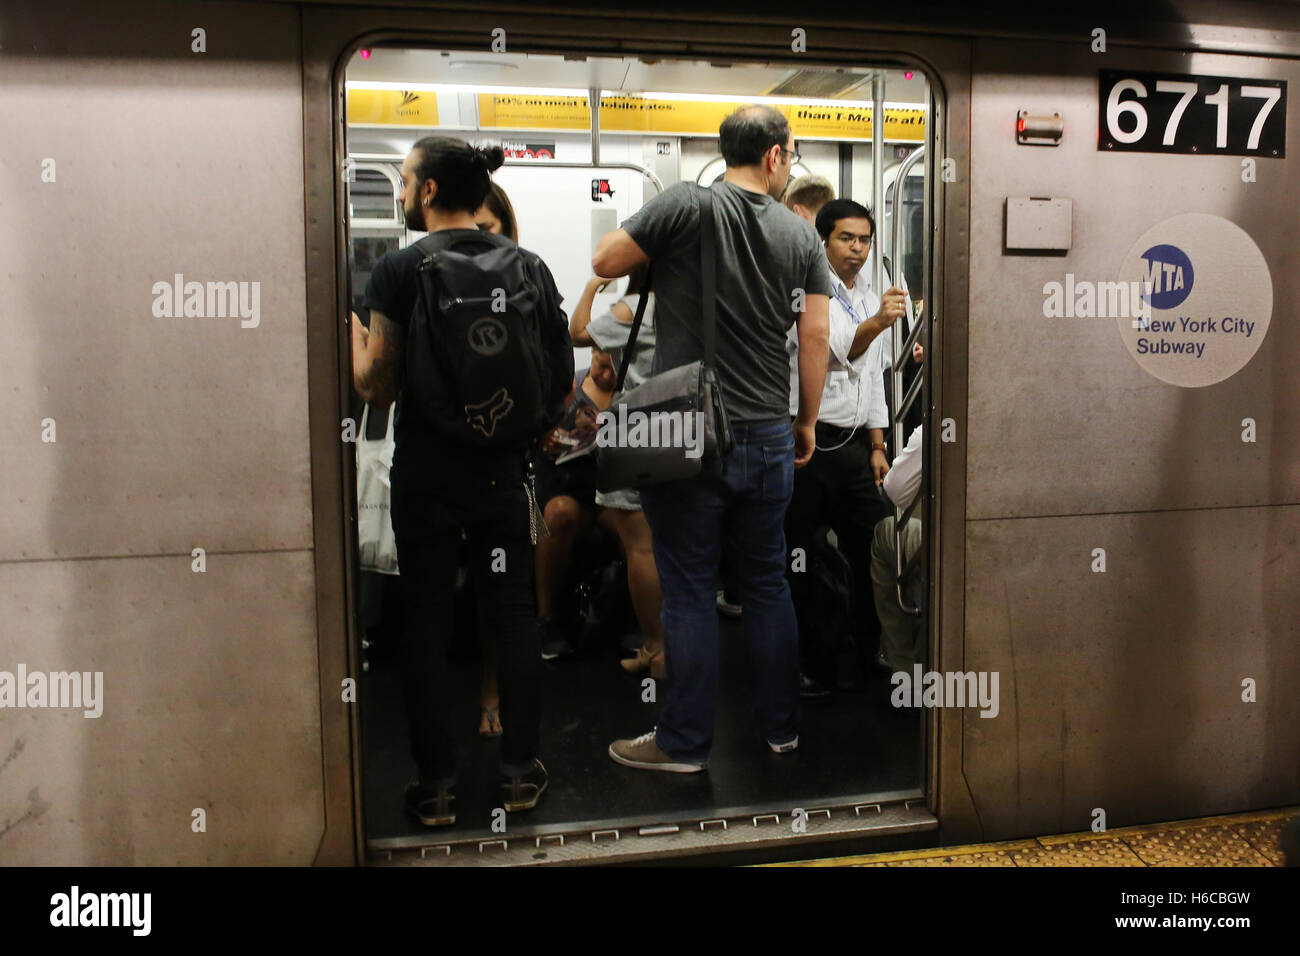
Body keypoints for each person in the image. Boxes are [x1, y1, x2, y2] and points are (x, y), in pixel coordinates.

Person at [593, 105, 831, 772]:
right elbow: (813, 337)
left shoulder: (683, 206)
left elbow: (605, 256)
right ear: (777, 157)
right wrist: (805, 420)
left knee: (691, 589)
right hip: (768, 433)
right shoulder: (799, 234)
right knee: (767, 584)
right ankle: (782, 733)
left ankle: (685, 744)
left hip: (684, 431)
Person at [351, 136, 568, 824]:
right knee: (512, 618)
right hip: (505, 474)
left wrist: (352, 337)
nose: (404, 194)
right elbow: (558, 384)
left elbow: (378, 388)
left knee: (427, 623)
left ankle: (437, 786)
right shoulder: (530, 266)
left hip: (427, 474)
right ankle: (518, 774)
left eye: (408, 182)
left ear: (431, 191)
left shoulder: (398, 268)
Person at [784, 198, 908, 695]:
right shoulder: (810, 294)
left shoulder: (867, 294)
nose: (857, 249)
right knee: (806, 558)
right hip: (810, 446)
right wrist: (879, 321)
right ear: (823, 240)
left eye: (864, 240)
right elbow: (839, 351)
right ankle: (815, 664)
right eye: (846, 239)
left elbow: (874, 377)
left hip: (856, 447)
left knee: (873, 545)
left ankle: (869, 648)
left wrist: (879, 443)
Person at [570, 264, 667, 679]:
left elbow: (577, 332)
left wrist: (594, 285)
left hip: (638, 433)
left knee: (642, 549)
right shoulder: (698, 304)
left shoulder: (637, 308)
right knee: (680, 549)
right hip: (686, 432)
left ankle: (658, 649)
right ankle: (684, 649)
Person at [533, 348, 617, 661]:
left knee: (642, 521)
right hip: (571, 489)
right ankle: (545, 619)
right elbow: (540, 437)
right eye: (600, 366)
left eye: (613, 369)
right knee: (557, 514)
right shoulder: (569, 388)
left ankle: (640, 619)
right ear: (592, 354)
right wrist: (553, 438)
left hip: (614, 494)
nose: (606, 375)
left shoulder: (632, 391)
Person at [871, 424, 924, 673]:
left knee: (885, 532)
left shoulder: (942, 419)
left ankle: (902, 664)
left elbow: (895, 490)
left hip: (959, 543)